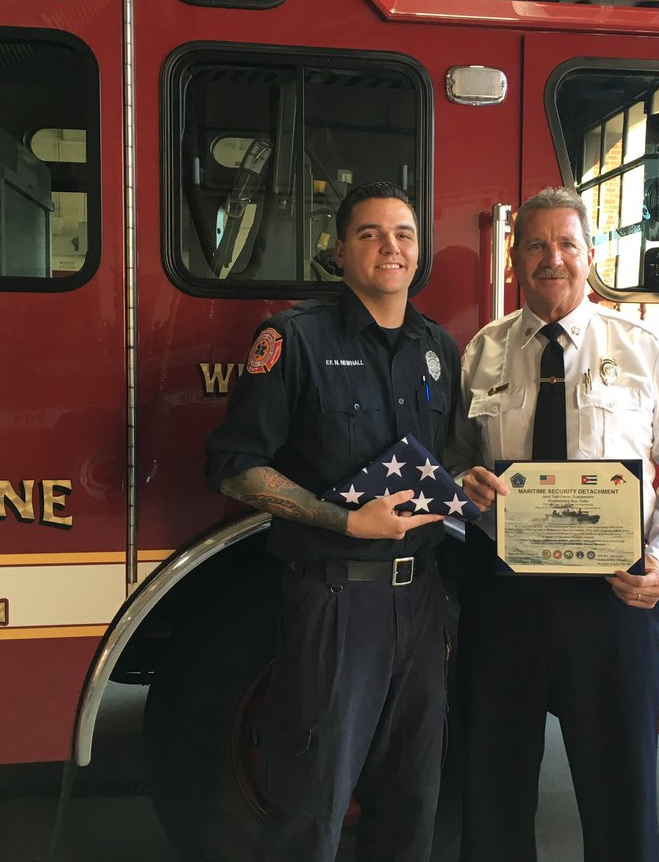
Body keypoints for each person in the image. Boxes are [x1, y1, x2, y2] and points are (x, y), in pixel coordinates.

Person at [445, 187, 659, 862]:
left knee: (621, 795)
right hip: (504, 598)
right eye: (537, 244)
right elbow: (454, 461)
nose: (553, 259)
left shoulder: (638, 350)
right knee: (492, 791)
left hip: (612, 599)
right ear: (514, 257)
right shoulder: (482, 352)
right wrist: (463, 485)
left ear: (589, 256)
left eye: (567, 244)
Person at [205, 180, 461, 862]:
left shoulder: (438, 348)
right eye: (371, 234)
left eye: (403, 233)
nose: (390, 247)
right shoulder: (292, 340)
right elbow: (234, 465)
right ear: (340, 251)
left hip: (423, 598)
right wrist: (343, 522)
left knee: (413, 794)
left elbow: (448, 462)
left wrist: (476, 483)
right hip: (336, 597)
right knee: (312, 796)